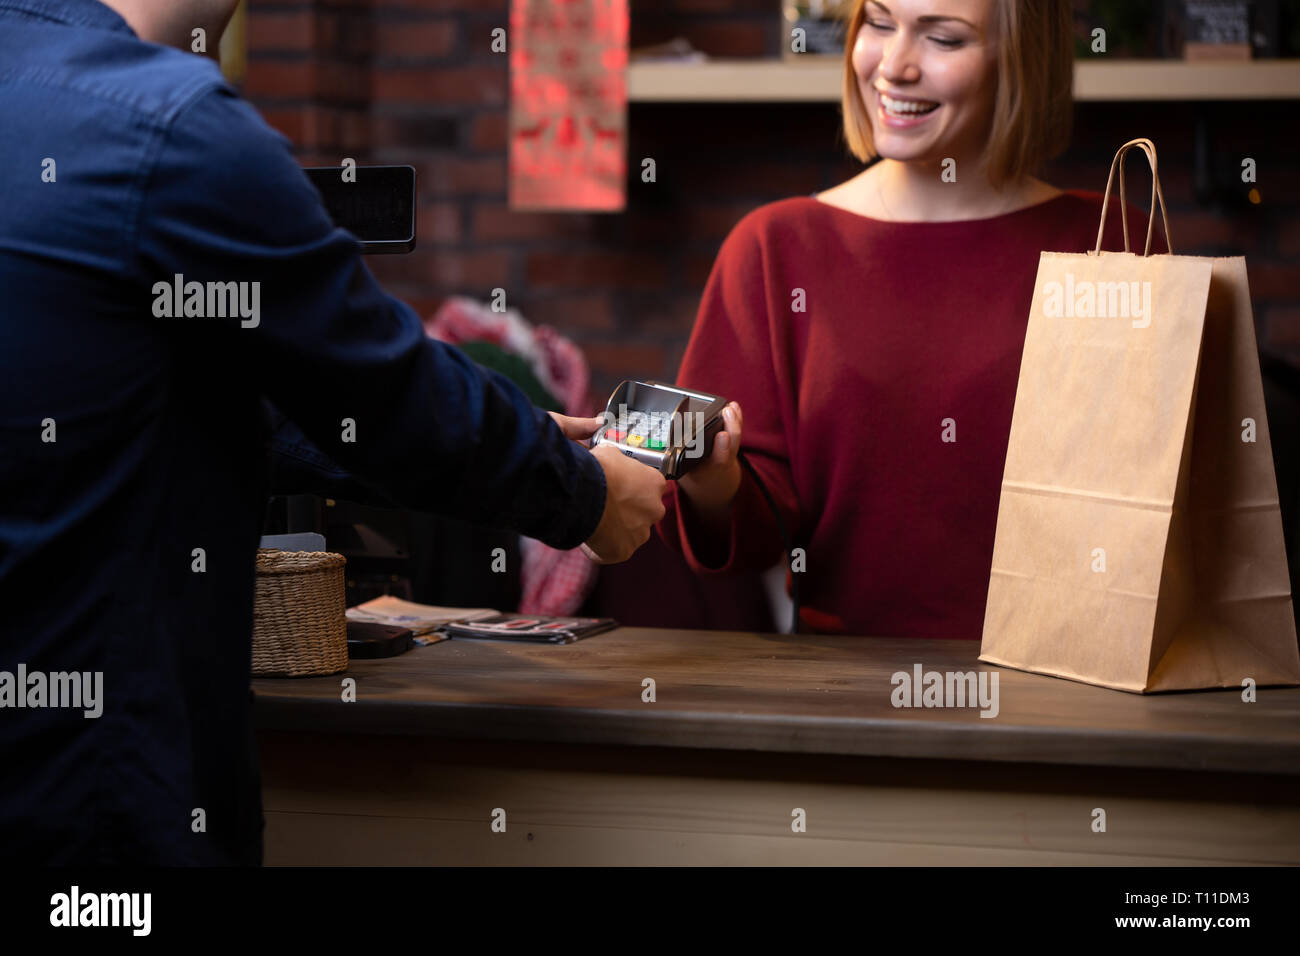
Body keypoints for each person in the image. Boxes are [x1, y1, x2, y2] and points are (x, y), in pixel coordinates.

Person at [0, 0, 665, 864]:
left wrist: (529, 436)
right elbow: (381, 384)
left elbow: (190, 397)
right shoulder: (170, 126)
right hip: (95, 808)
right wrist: (587, 496)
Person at [660, 0, 1166, 636]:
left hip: (1077, 685)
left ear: (1021, 62)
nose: (893, 66)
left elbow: (1163, 507)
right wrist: (713, 480)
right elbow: (747, 536)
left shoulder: (1114, 240)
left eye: (944, 39)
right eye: (877, 23)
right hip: (847, 697)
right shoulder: (773, 247)